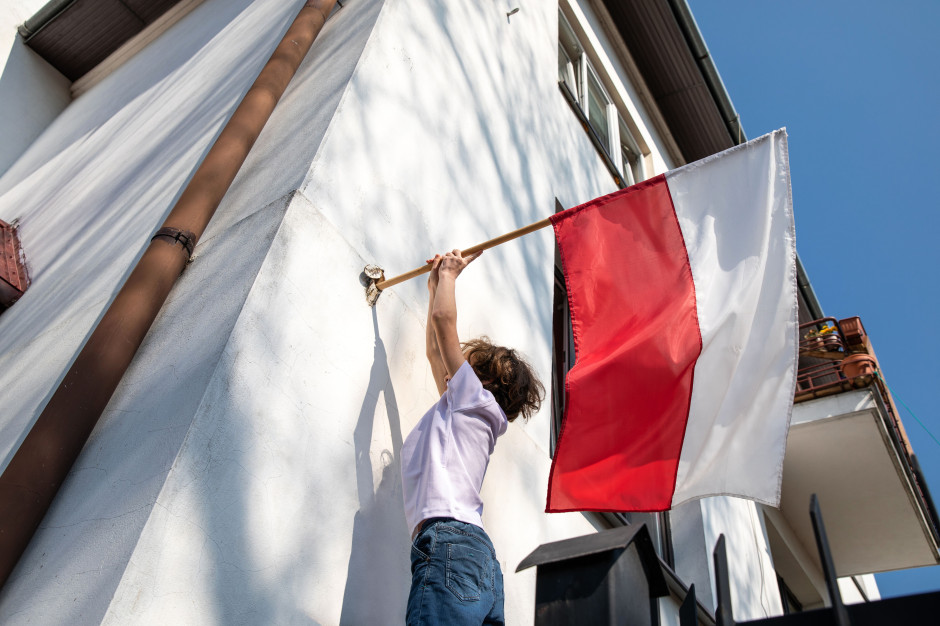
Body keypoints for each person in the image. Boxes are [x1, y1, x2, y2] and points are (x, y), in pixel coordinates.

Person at [401, 249, 544, 625]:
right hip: (478, 560)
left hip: (450, 544)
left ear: (481, 378)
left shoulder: (472, 400)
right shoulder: (471, 412)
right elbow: (436, 352)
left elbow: (443, 322)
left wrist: (448, 274)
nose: (452, 369)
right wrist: (433, 284)